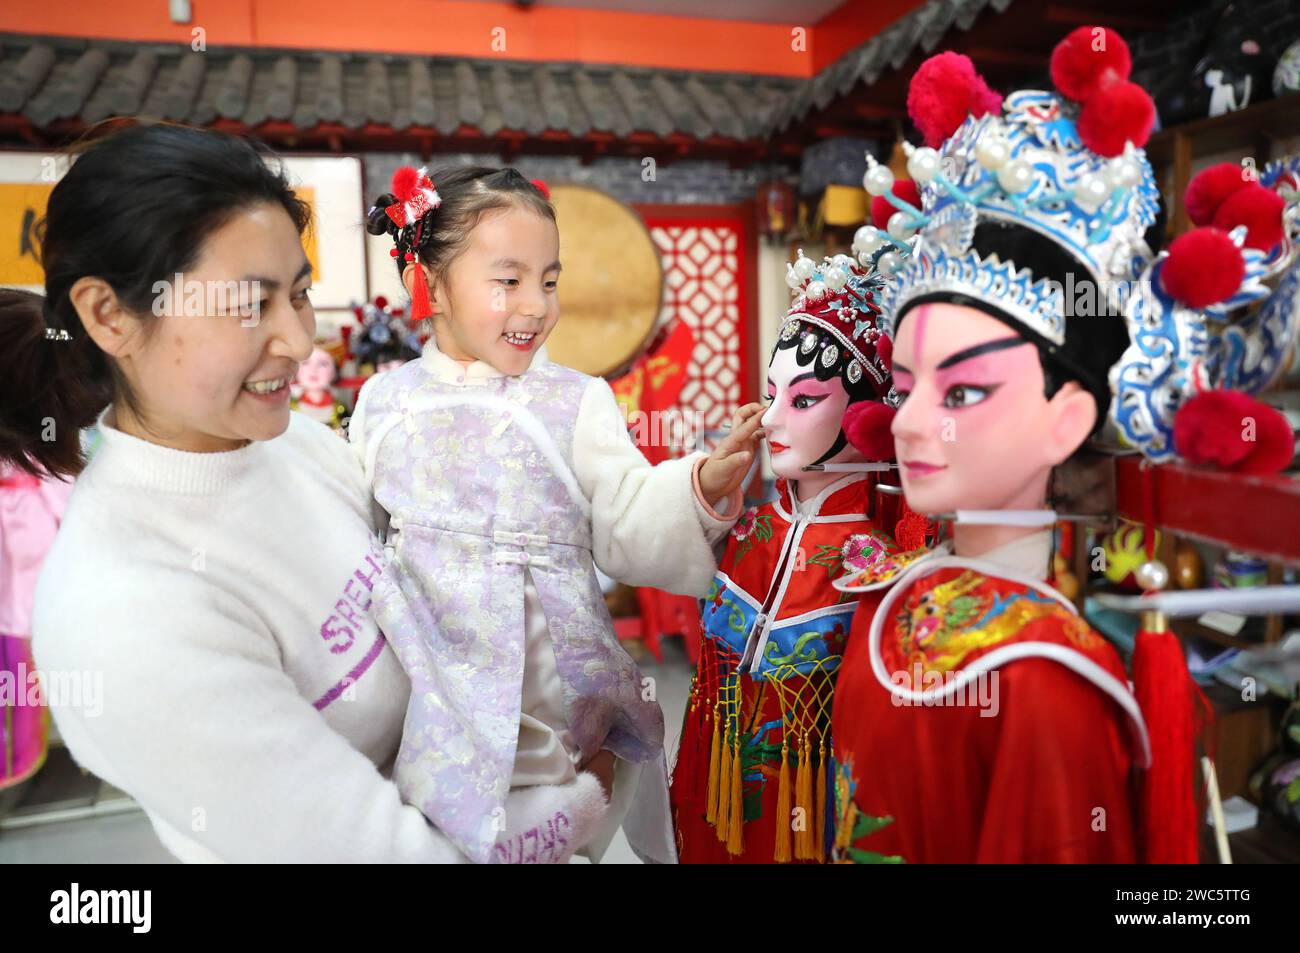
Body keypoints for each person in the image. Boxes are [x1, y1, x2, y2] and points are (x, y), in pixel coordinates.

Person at [2, 123, 607, 862]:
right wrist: (579, 804)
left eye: (299, 294)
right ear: (109, 316)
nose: (298, 339)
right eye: (248, 304)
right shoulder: (124, 612)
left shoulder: (293, 444)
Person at [831, 27, 1296, 863]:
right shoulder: (885, 602)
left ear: (1069, 419)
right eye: (903, 386)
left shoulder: (1043, 683)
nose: (905, 421)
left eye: (962, 389)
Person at [352, 164, 764, 863]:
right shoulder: (383, 403)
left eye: (549, 281)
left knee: (556, 828)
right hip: (430, 679)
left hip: (548, 683)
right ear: (431, 281)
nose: (537, 305)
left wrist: (698, 484)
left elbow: (625, 515)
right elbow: (356, 531)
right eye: (508, 281)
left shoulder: (575, 399)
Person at [669, 251, 911, 863]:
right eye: (771, 393)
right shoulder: (750, 531)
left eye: (803, 401)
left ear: (865, 416)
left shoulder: (876, 563)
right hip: (720, 819)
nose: (770, 419)